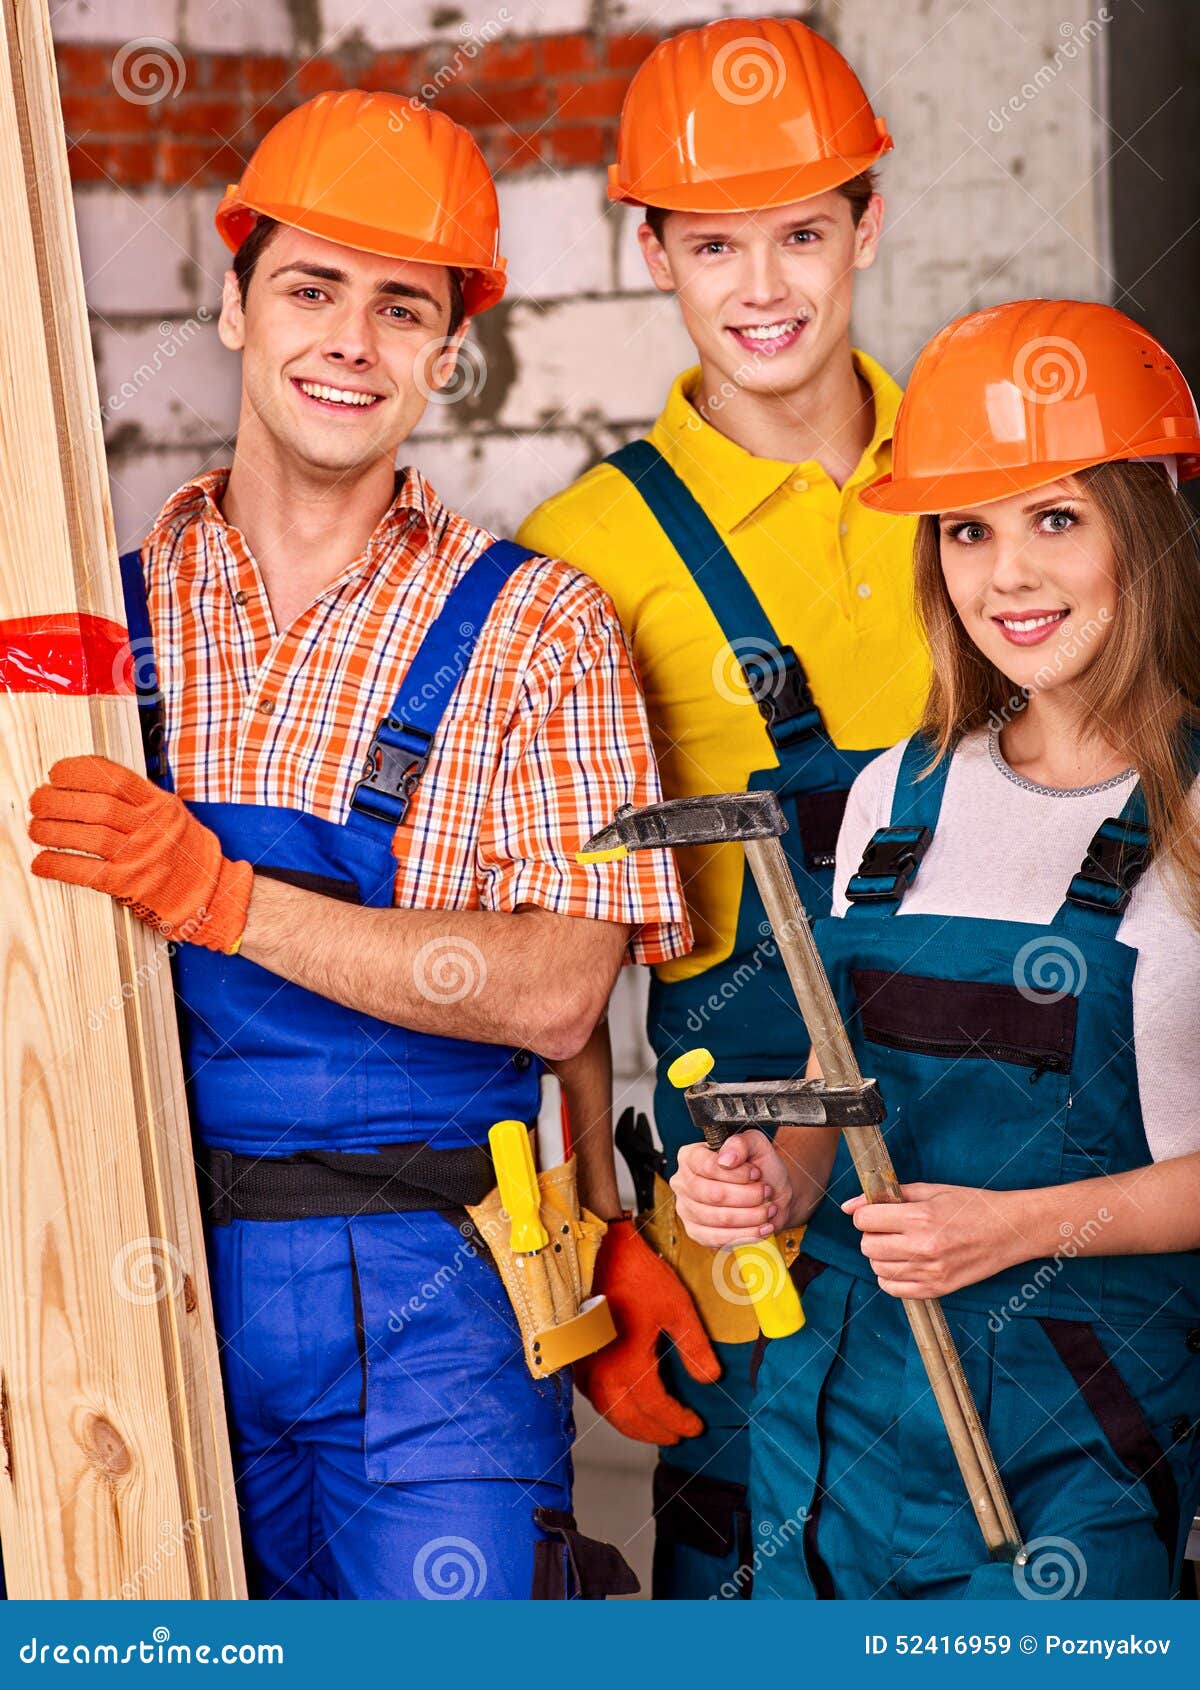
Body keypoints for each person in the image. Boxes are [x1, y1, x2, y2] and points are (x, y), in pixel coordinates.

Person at [25, 90, 690, 1601]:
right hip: (149, 1277)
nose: (350, 341)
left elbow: (552, 996)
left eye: (403, 308)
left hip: (437, 1299)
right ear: (234, 299)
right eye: (312, 288)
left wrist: (217, 894)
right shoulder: (93, 633)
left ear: (451, 353)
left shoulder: (545, 629)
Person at [671, 298, 1200, 1600]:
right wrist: (776, 1179)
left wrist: (1019, 1228)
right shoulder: (890, 801)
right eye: (968, 527)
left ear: (1148, 523)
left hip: (1080, 1430)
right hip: (839, 1416)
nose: (1004, 575)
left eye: (1055, 518)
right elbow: (838, 1091)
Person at [519, 16, 928, 1598]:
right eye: (714, 245)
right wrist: (603, 1231)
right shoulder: (585, 552)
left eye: (803, 236)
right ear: (653, 253)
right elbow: (564, 970)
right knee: (756, 1586)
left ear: (866, 227)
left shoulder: (977, 493)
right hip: (745, 1196)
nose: (763, 289)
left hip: (1014, 1154)